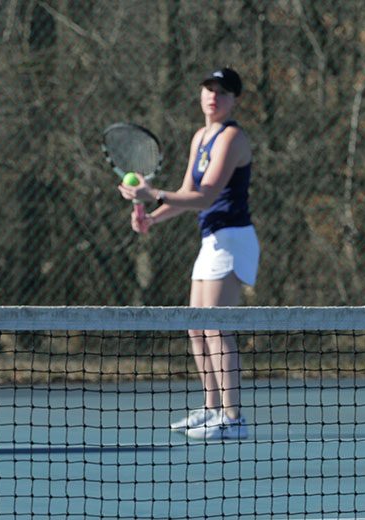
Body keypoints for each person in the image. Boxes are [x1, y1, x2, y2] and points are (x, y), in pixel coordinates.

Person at [118, 68, 259, 440]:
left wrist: (154, 195)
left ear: (235, 100)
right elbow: (184, 194)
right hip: (211, 239)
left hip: (233, 239)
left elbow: (207, 196)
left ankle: (233, 417)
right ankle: (212, 408)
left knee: (216, 327)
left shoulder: (232, 138)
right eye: (209, 89)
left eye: (223, 92)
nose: (214, 96)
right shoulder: (201, 137)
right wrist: (152, 217)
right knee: (196, 327)